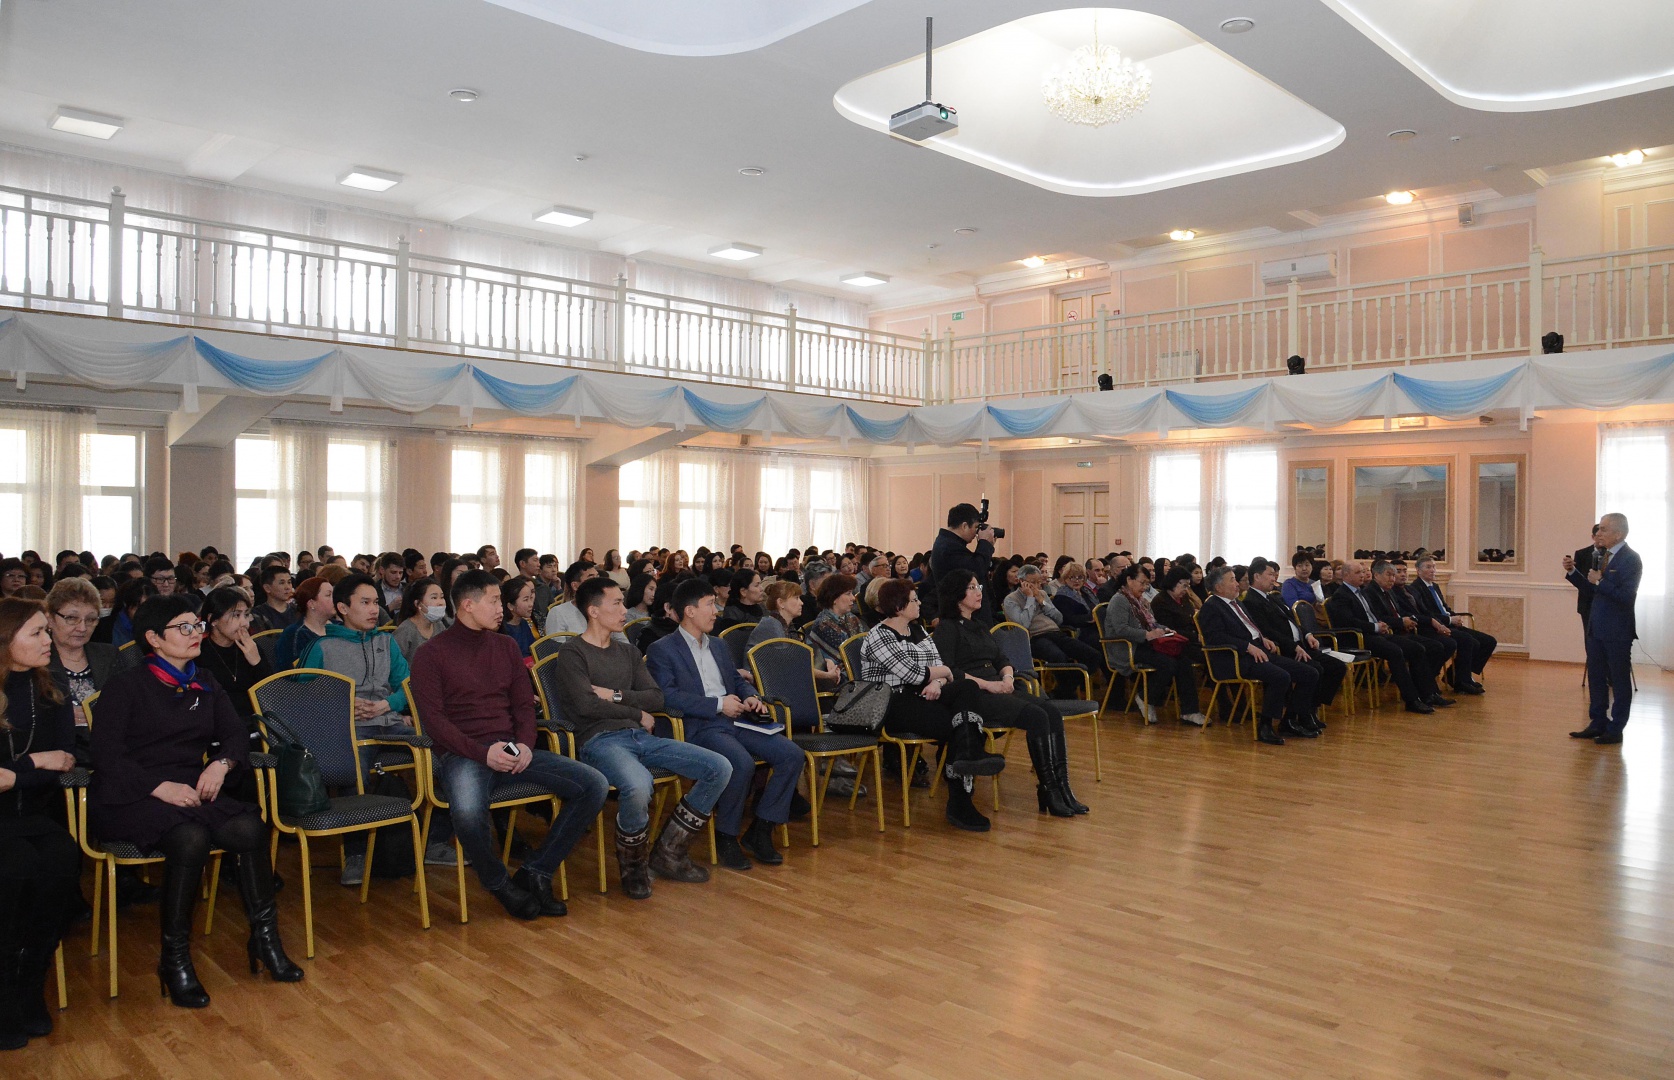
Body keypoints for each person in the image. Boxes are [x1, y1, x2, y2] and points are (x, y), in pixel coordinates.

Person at [89, 595, 303, 1008]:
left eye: (197, 626)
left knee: (249, 828)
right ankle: (174, 959)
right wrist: (159, 786)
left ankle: (265, 940)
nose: (195, 634)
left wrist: (221, 764)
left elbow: (236, 734)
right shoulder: (127, 685)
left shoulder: (204, 680)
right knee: (190, 838)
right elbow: (107, 756)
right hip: (132, 793)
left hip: (190, 786)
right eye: (183, 627)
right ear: (154, 638)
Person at [407, 570, 608, 919]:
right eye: (494, 600)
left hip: (513, 749)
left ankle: (537, 871)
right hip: (464, 754)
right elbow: (435, 723)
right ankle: (499, 883)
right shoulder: (431, 654)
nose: (502, 608)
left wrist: (526, 745)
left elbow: (523, 706)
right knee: (467, 812)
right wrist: (483, 753)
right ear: (468, 605)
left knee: (594, 784)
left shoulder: (505, 647)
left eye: (501, 600)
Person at [553, 577, 732, 900]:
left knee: (719, 767)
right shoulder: (572, 653)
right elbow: (585, 705)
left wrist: (616, 696)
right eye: (616, 603)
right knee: (638, 785)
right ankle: (633, 866)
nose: (625, 610)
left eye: (623, 602)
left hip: (640, 737)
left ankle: (669, 851)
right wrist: (636, 713)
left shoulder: (628, 652)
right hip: (599, 741)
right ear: (593, 611)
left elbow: (656, 697)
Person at [647, 579, 804, 871]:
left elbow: (734, 680)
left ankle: (761, 829)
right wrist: (718, 705)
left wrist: (752, 696)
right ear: (690, 611)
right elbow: (666, 696)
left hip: (736, 718)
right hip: (699, 724)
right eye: (709, 604)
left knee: (792, 754)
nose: (716, 611)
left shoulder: (718, 645)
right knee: (740, 763)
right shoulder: (662, 649)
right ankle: (727, 836)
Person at [933, 571, 1085, 817]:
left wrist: (1007, 678)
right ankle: (1048, 789)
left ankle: (1062, 786)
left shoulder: (979, 625)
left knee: (1051, 712)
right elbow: (951, 671)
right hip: (975, 694)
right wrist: (989, 685)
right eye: (972, 587)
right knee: (1036, 717)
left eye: (978, 586)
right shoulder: (947, 628)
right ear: (956, 595)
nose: (978, 592)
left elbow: (1002, 659)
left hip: (999, 685)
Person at [860, 579, 1008, 832]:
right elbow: (914, 674)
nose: (920, 603)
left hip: (925, 695)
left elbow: (939, 668)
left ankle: (967, 764)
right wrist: (942, 674)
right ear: (898, 606)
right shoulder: (878, 636)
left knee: (967, 688)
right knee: (961, 727)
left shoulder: (917, 630)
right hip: (893, 703)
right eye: (914, 600)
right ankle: (961, 799)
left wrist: (938, 681)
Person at [299, 573, 416, 885]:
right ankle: (356, 855)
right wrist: (340, 704)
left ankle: (433, 840)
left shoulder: (386, 642)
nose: (374, 609)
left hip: (389, 722)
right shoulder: (323, 646)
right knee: (353, 773)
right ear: (343, 608)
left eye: (376, 602)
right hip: (350, 730)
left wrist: (388, 704)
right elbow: (299, 696)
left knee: (439, 752)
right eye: (365, 603)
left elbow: (408, 685)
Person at [0, 598, 81, 1048]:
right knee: (14, 867)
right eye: (36, 632)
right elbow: (39, 766)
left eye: (46, 630)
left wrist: (15, 774)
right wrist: (33, 762)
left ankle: (30, 986)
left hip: (33, 813)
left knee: (61, 857)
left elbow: (64, 760)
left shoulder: (52, 690)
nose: (48, 640)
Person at [1197, 565, 1320, 746]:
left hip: (1257, 652)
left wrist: (1263, 639)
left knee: (1309, 673)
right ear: (1219, 587)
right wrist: (1247, 646)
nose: (1237, 584)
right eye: (1232, 580)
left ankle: (1289, 720)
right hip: (1234, 658)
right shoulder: (1211, 607)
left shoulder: (1237, 603)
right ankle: (1265, 726)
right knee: (1280, 676)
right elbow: (1215, 637)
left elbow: (1250, 628)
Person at [1565, 512, 1640, 744]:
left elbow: (1626, 597)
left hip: (1617, 631)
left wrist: (1600, 580)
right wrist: (1573, 573)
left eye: (1604, 529)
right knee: (1596, 678)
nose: (1598, 533)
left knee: (1618, 680)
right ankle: (1597, 722)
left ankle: (1616, 728)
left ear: (1619, 534)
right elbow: (1592, 591)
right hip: (1596, 628)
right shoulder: (1602, 556)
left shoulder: (1631, 559)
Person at [1325, 561, 1436, 715]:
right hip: (1357, 638)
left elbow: (1373, 614)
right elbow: (1349, 622)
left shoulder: (1362, 592)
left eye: (1363, 572)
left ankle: (1427, 694)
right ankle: (1411, 700)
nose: (1362, 575)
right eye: (1358, 573)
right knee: (1395, 651)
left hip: (1374, 633)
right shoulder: (1340, 596)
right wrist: (1375, 627)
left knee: (1416, 648)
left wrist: (1381, 624)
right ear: (1345, 575)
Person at [1101, 565, 1206, 727]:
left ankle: (1189, 710)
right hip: (1128, 648)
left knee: (1183, 661)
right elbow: (1121, 629)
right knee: (1168, 663)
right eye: (1142, 583)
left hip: (1145, 645)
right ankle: (1145, 698)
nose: (1145, 588)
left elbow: (1153, 623)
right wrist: (1147, 635)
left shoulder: (1140, 601)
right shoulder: (1119, 600)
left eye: (1147, 584)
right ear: (1129, 580)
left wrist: (1164, 629)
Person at [1243, 558, 1341, 729]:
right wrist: (1293, 646)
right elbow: (1267, 631)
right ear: (1257, 577)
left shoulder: (1272, 598)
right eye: (1270, 575)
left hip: (1299, 644)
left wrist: (1307, 634)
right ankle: (1294, 716)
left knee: (1337, 667)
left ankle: (1310, 708)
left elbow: (1292, 622)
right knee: (1315, 669)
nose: (1274, 578)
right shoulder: (1251, 601)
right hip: (1284, 648)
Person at [45, 578, 137, 736]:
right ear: (50, 619)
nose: (82, 628)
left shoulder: (109, 655)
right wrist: (60, 717)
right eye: (71, 618)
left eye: (90, 619)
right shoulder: (38, 661)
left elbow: (132, 703)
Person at [1366, 561, 1454, 708]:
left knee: (1435, 646)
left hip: (1399, 631)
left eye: (1393, 575)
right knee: (1417, 648)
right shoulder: (1370, 592)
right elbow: (1379, 617)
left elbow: (1400, 612)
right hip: (1387, 633)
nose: (1392, 579)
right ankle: (1421, 695)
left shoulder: (1388, 591)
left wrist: (1409, 619)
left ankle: (1429, 692)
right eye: (1389, 575)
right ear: (1376, 575)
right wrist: (1401, 622)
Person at [1409, 557, 1495, 694]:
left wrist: (1455, 617)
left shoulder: (1435, 586)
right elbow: (1428, 613)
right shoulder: (1415, 588)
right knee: (1469, 641)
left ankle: (1455, 675)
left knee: (1488, 641)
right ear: (1418, 571)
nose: (1432, 570)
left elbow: (1444, 607)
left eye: (1433, 567)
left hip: (1449, 622)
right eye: (1428, 567)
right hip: (1437, 626)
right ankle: (1461, 681)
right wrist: (1449, 620)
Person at [1004, 564, 1104, 676]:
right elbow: (1023, 624)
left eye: (1039, 582)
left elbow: (1059, 618)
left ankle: (1073, 683)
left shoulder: (1042, 594)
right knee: (1059, 657)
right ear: (1021, 581)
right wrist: (1030, 599)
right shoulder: (1011, 600)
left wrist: (1042, 602)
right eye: (1033, 582)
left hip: (1055, 632)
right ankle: (1069, 685)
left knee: (1093, 655)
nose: (1037, 586)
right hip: (1034, 637)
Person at [195, 586, 272, 723]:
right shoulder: (198, 653)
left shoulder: (251, 647)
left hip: (255, 722)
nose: (245, 623)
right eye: (236, 615)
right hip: (215, 723)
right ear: (213, 620)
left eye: (246, 615)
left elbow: (271, 694)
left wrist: (257, 662)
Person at [929, 503, 998, 620]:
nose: (976, 533)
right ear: (965, 526)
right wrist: (985, 543)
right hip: (961, 617)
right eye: (976, 527)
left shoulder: (948, 543)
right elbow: (977, 569)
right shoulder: (949, 548)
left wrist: (987, 545)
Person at [805, 572, 863, 679]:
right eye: (848, 593)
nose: (853, 598)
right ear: (834, 598)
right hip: (841, 678)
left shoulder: (852, 618)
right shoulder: (823, 624)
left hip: (859, 669)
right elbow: (848, 658)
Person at [273, 575, 335, 671]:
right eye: (328, 595)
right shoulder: (295, 635)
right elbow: (289, 674)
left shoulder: (339, 627)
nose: (335, 599)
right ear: (311, 603)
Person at [393, 577, 447, 664]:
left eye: (442, 597)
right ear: (418, 603)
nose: (440, 602)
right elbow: (395, 665)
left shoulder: (439, 626)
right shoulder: (405, 631)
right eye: (434, 598)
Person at [1568, 524, 1606, 631]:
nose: (1601, 539)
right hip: (1587, 604)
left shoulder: (1611, 554)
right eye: (1598, 536)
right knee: (1589, 636)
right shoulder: (1581, 554)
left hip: (1606, 603)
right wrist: (1571, 569)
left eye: (1603, 536)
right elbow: (1578, 581)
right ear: (1593, 537)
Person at [499, 575, 538, 659]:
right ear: (510, 606)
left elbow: (533, 651)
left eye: (530, 598)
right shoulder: (502, 630)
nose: (531, 604)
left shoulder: (524, 623)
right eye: (525, 600)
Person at [251, 564, 298, 632]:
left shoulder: (298, 611)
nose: (287, 587)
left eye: (289, 582)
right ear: (267, 588)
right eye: (282, 583)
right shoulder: (258, 614)